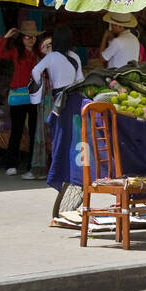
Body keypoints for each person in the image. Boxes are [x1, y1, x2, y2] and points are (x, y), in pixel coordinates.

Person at [26, 26, 83, 179]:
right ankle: (70, 169)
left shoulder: (51, 57)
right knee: (71, 134)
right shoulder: (75, 57)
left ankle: (56, 170)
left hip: (57, 99)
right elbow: (80, 80)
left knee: (57, 135)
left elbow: (35, 71)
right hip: (74, 98)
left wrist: (42, 84)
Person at [0, 20, 42, 176]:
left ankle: (32, 165)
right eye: (27, 37)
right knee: (16, 131)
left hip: (35, 97)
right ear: (21, 38)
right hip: (18, 96)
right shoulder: (17, 51)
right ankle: (11, 164)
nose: (30, 39)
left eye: (33, 37)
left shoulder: (39, 54)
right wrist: (6, 37)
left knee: (33, 132)